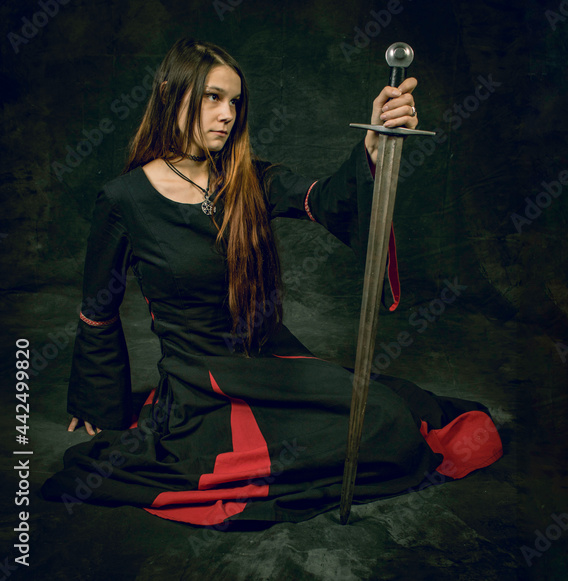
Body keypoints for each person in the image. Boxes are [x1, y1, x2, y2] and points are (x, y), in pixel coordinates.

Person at [40, 38, 502, 526]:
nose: (227, 114)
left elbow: (325, 199)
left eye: (235, 102)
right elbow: (99, 307)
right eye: (212, 97)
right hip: (200, 382)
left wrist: (369, 147)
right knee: (347, 439)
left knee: (387, 419)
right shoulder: (124, 199)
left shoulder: (247, 179)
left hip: (267, 359)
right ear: (171, 93)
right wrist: (97, 402)